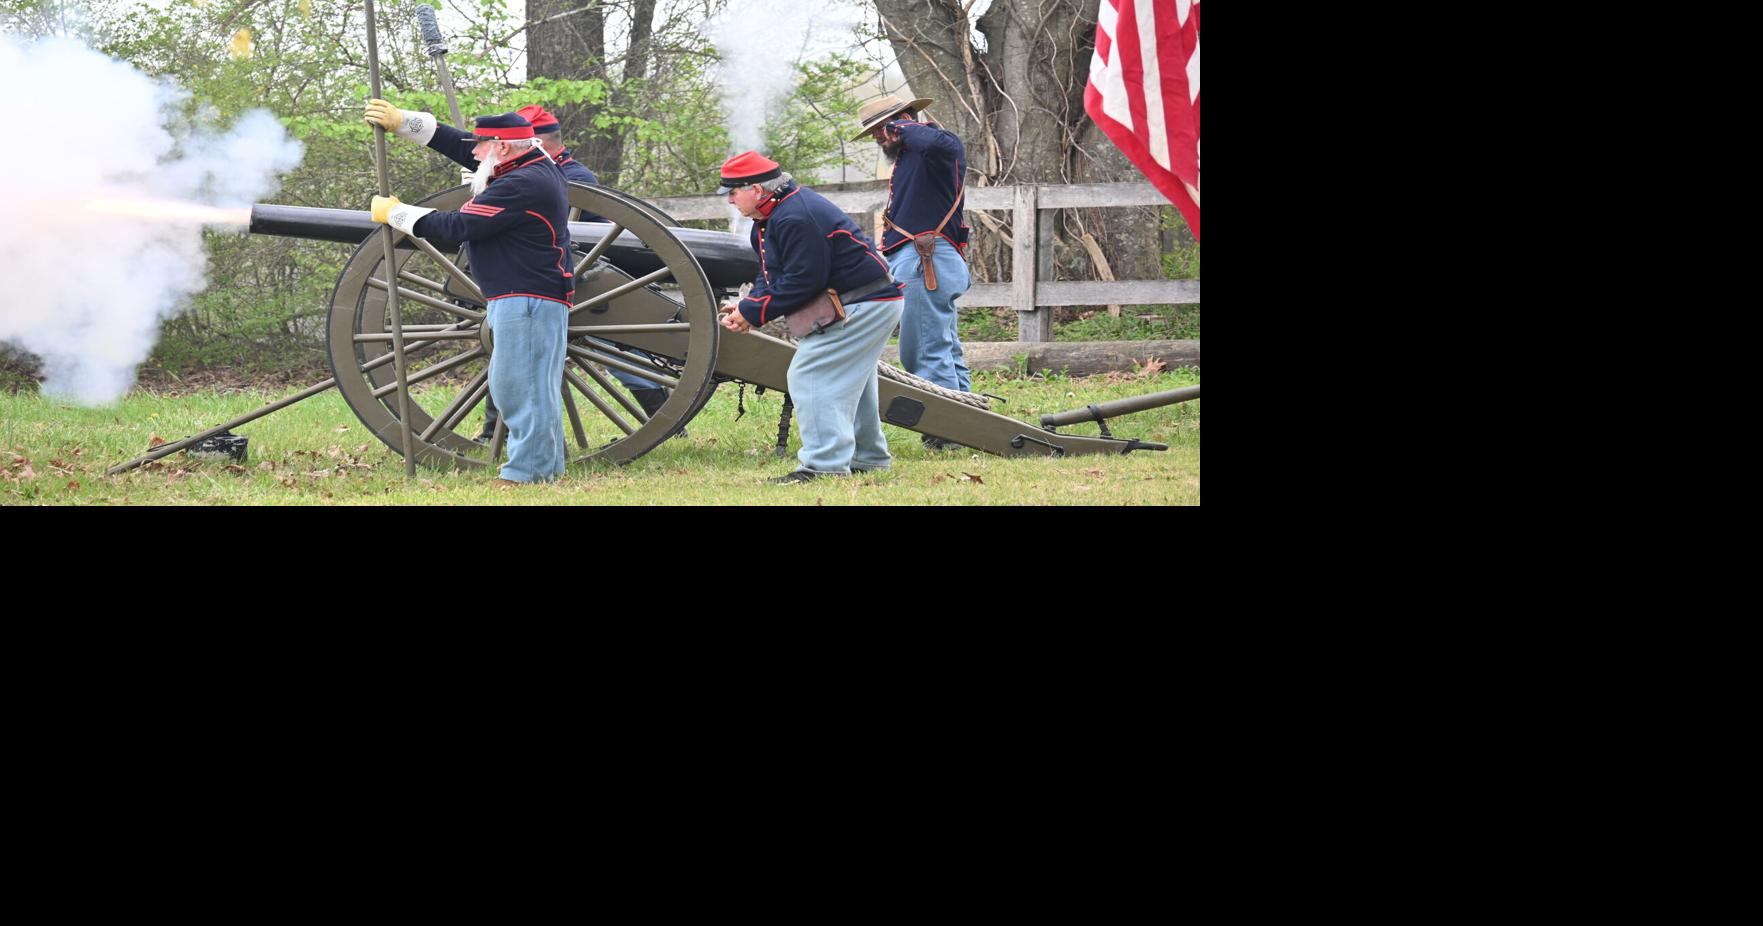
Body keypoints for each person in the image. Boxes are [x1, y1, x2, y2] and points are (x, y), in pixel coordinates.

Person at [365, 110, 573, 485]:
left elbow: (457, 227)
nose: (475, 153)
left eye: (482, 146)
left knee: (519, 385)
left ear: (504, 147)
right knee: (530, 385)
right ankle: (544, 467)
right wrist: (405, 123)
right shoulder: (532, 162)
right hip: (527, 294)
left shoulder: (520, 184)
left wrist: (395, 214)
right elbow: (464, 148)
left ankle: (527, 472)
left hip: (524, 296)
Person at [715, 151, 904, 484]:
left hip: (863, 302)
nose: (730, 200)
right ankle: (868, 458)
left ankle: (823, 465)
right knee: (853, 382)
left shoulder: (795, 217)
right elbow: (770, 275)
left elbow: (805, 279)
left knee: (810, 373)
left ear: (757, 190)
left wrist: (753, 312)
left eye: (733, 191)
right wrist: (749, 306)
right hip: (863, 300)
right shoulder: (770, 219)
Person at [854, 93, 972, 450]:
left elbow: (934, 138)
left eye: (878, 131)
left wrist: (899, 125)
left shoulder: (936, 145)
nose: (877, 138)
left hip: (926, 260)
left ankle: (947, 430)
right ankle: (967, 420)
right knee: (943, 346)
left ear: (900, 123)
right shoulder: (913, 157)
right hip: (923, 259)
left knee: (923, 349)